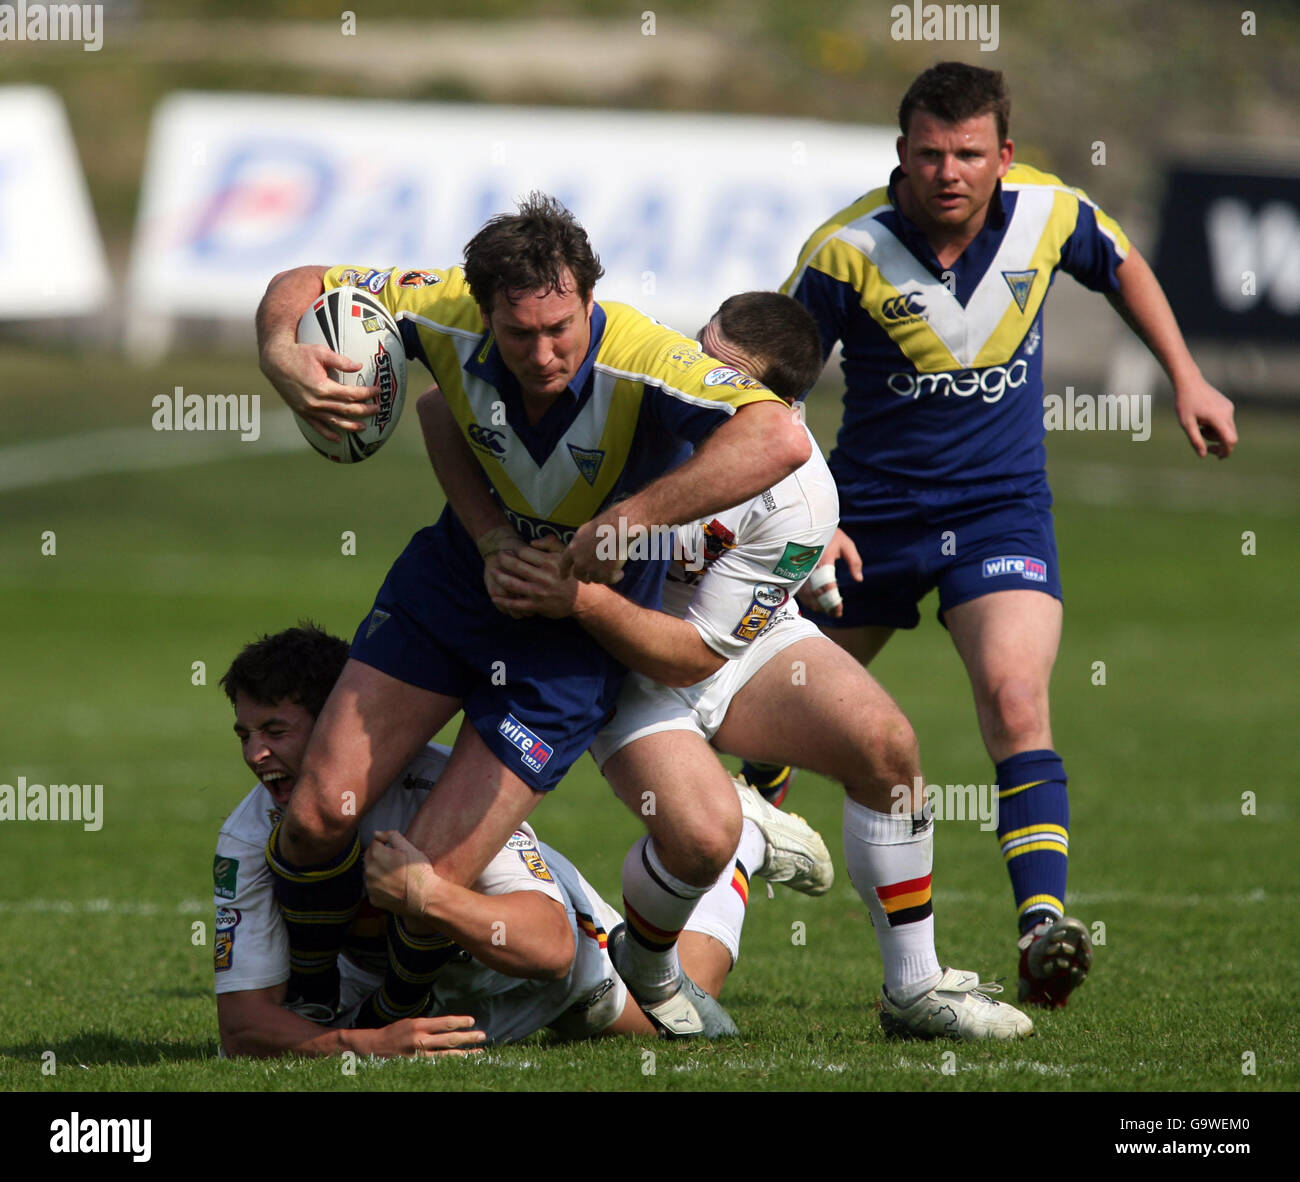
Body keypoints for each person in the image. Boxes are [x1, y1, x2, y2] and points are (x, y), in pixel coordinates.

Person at [255, 200, 810, 1040]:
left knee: (432, 879)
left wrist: (623, 525)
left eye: (561, 327)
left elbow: (777, 439)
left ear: (590, 299)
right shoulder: (438, 307)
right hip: (451, 588)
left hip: (567, 642)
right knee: (317, 815)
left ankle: (396, 1013)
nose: (544, 353)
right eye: (519, 335)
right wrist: (279, 354)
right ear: (482, 314)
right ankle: (309, 994)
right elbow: (297, 285)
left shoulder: (645, 357)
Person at [769, 61, 1238, 1008]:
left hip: (999, 513)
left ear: (1004, 156)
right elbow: (768, 383)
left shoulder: (1050, 213)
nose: (949, 171)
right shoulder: (844, 251)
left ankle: (1040, 929)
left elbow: (1125, 267)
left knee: (1018, 698)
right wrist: (799, 519)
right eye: (931, 153)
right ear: (902, 155)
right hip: (866, 522)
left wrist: (1186, 375)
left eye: (969, 154)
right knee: (769, 713)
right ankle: (720, 890)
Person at [495, 292, 1032, 1039]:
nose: (701, 380)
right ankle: (702, 886)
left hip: (703, 648)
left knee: (888, 749)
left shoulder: (802, 494)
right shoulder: (634, 385)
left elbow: (696, 657)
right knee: (694, 852)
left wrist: (583, 597)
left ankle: (914, 990)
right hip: (618, 666)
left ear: (784, 410)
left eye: (730, 378)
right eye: (701, 353)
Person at [214, 624, 821, 1056]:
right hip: (407, 988)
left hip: (535, 970)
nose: (255, 754)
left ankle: (740, 843)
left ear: (334, 729)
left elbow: (549, 948)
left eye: (275, 731)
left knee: (679, 1010)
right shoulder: (249, 833)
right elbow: (241, 1029)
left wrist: (425, 895)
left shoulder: (443, 788)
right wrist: (368, 1042)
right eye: (244, 733)